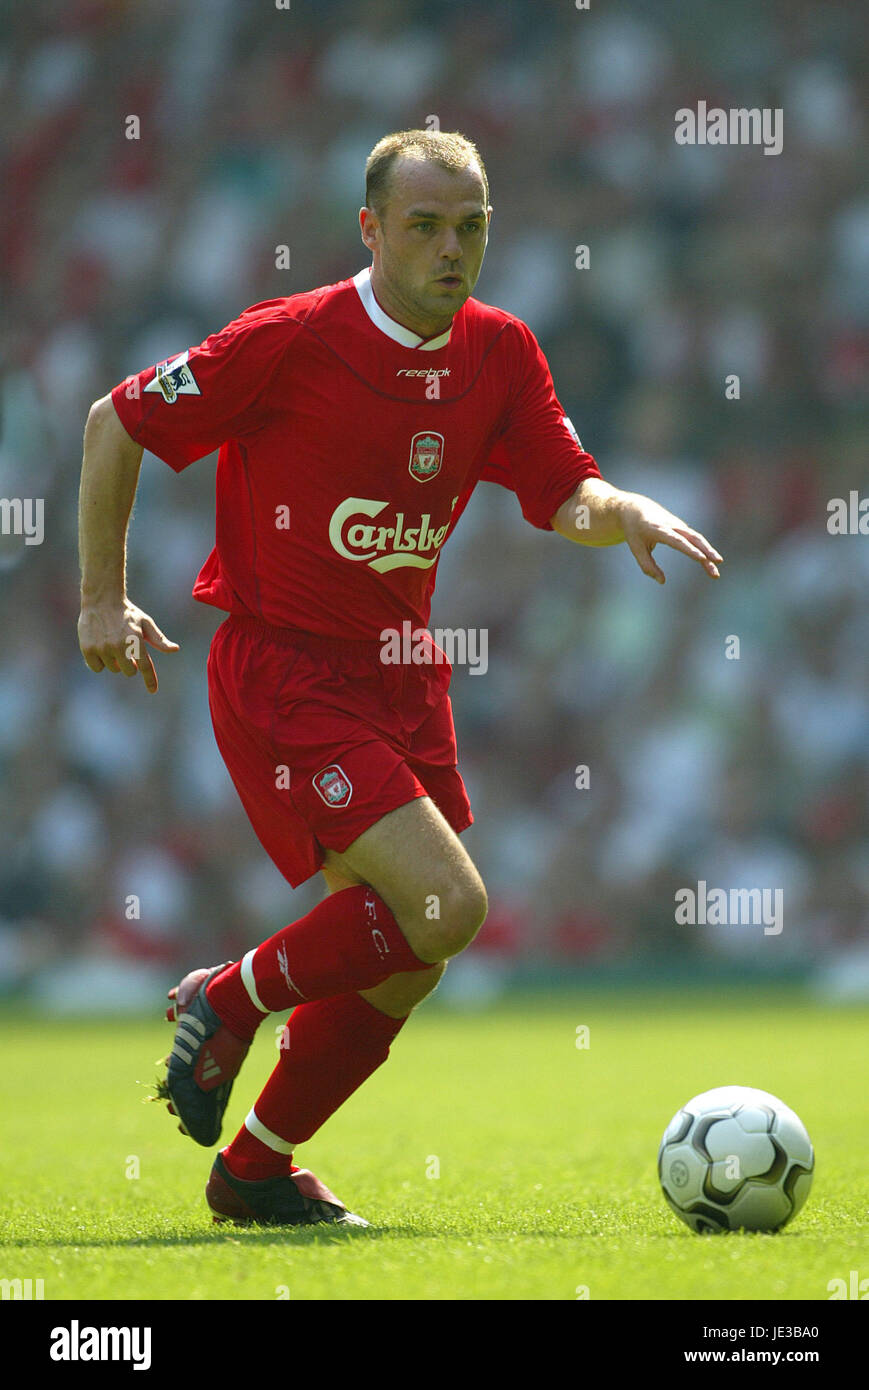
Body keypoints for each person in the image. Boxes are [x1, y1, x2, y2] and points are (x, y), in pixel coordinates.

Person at [78, 129, 722, 1227]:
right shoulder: (289, 338)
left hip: (399, 674)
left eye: (469, 227)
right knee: (446, 904)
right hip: (284, 666)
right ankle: (228, 999)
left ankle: (254, 1170)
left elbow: (562, 490)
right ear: (369, 229)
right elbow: (116, 419)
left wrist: (625, 513)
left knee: (405, 960)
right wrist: (101, 596)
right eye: (423, 226)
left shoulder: (503, 350)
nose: (449, 248)